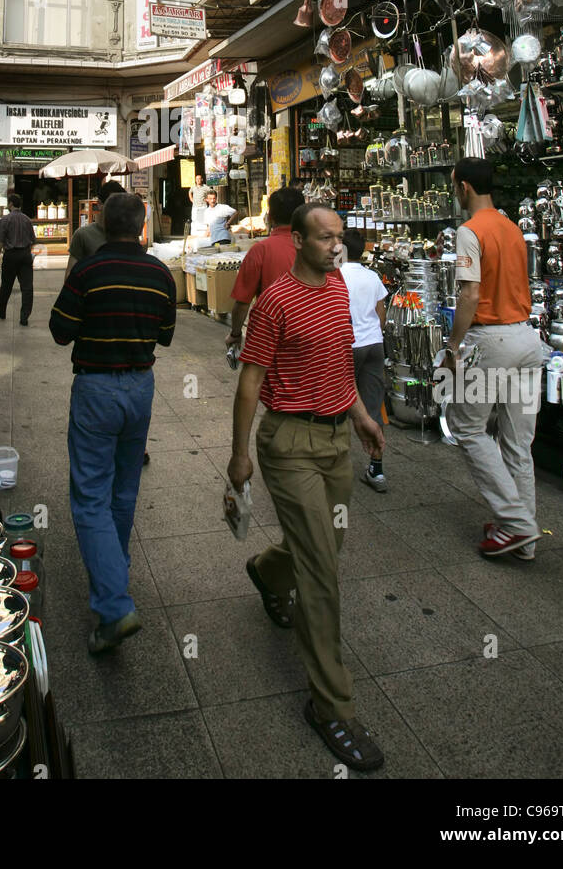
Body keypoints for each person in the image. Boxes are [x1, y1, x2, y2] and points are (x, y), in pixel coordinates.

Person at [227, 203, 385, 772]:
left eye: (339, 237)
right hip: (289, 443)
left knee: (326, 545)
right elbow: (251, 379)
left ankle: (267, 570)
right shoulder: (275, 301)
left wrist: (364, 415)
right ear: (297, 240)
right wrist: (239, 454)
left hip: (337, 437)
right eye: (324, 238)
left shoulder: (341, 287)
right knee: (322, 568)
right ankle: (331, 706)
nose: (335, 246)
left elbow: (341, 363)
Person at [49, 193, 176, 655]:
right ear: (142, 227)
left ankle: (114, 604)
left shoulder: (88, 271)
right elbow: (165, 333)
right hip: (140, 388)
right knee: (123, 491)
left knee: (89, 496)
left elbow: (60, 330)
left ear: (101, 224)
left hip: (96, 389)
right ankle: (113, 576)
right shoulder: (160, 273)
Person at [445, 157, 547, 560]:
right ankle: (523, 536)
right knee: (518, 442)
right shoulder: (512, 228)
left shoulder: (469, 231)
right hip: (527, 339)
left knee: (466, 427)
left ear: (464, 186)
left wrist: (452, 348)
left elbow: (469, 294)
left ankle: (517, 523)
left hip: (491, 341)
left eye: (454, 185)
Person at [225, 186, 305, 348]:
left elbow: (242, 302)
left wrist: (235, 333)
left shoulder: (261, 250)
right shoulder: (319, 249)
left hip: (271, 339)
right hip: (317, 338)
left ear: (270, 217)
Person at [340, 228, 389, 492]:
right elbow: (380, 316)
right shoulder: (372, 277)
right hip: (373, 345)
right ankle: (377, 469)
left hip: (348, 346)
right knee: (372, 405)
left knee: (339, 403)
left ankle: (334, 463)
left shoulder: (335, 276)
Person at [64, 179, 125, 280]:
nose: (118, 209)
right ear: (100, 204)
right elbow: (70, 275)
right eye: (113, 204)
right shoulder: (83, 235)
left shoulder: (127, 234)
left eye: (122, 205)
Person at [0, 192, 36, 326]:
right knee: (27, 287)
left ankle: (1, 310)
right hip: (25, 255)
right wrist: (28, 252)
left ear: (10, 204)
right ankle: (24, 317)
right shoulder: (27, 219)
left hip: (10, 255)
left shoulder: (5, 219)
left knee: (6, 285)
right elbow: (32, 240)